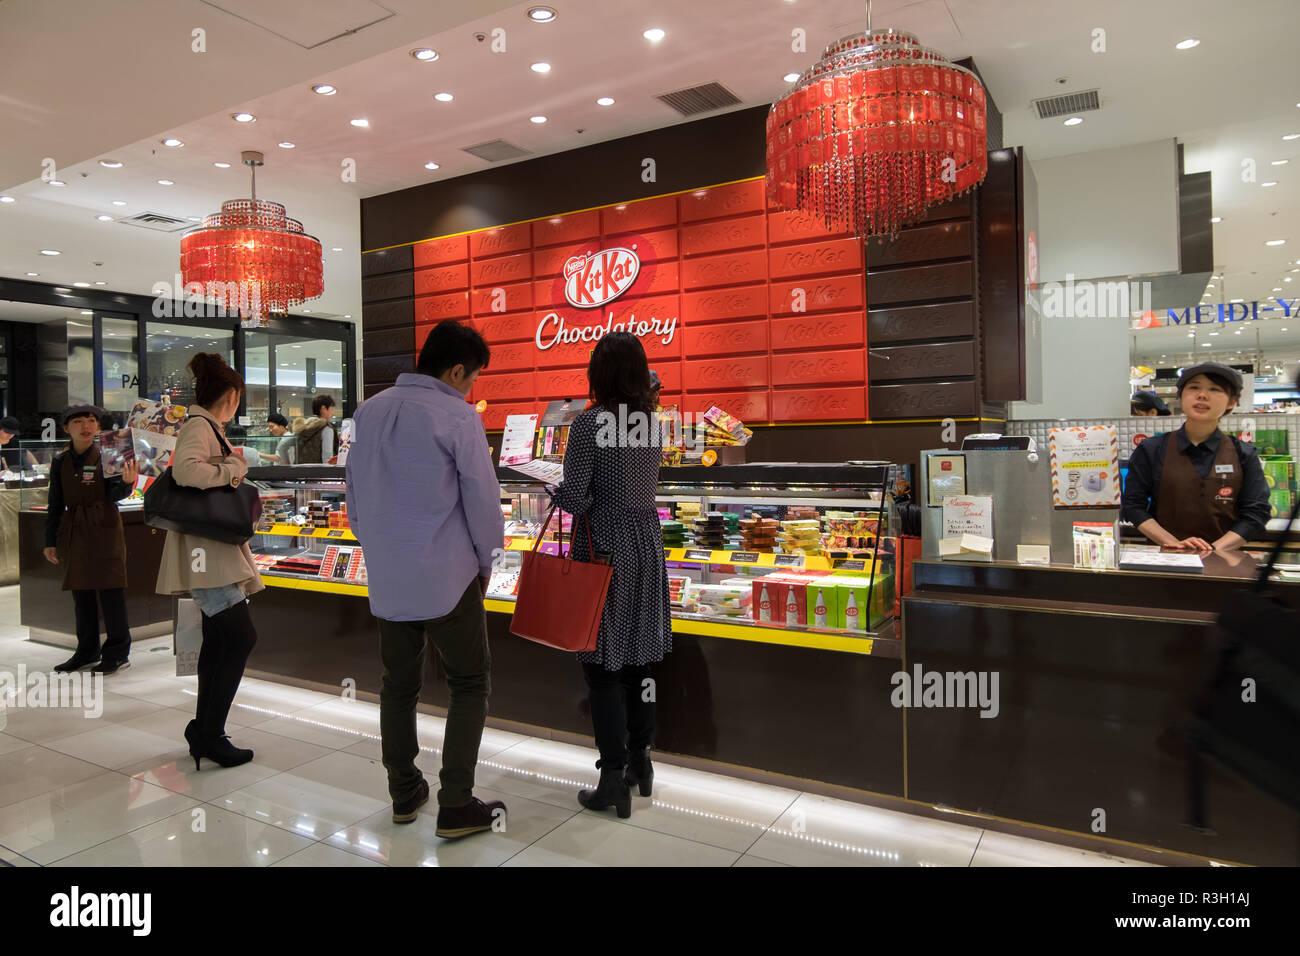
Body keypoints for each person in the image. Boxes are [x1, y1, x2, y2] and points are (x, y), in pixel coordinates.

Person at [346, 320, 507, 835]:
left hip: (388, 575)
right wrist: (488, 563)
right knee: (468, 682)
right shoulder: (457, 417)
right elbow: (483, 502)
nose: (471, 389)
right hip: (447, 576)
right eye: (473, 377)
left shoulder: (367, 412)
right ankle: (457, 803)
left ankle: (404, 791)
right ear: (456, 370)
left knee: (398, 686)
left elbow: (352, 493)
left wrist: (376, 546)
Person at [550, 332, 672, 818]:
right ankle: (641, 764)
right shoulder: (651, 424)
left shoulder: (589, 424)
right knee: (639, 659)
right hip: (646, 543)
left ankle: (611, 778)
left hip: (604, 548)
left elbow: (577, 497)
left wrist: (556, 490)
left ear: (598, 374)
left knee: (601, 668)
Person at [155, 354, 263, 770]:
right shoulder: (201, 427)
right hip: (207, 554)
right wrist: (235, 467)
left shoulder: (205, 427)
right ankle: (210, 734)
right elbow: (186, 472)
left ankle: (204, 729)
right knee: (240, 638)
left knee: (222, 639)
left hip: (209, 550)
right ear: (232, 396)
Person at [1121, 362, 1270, 553]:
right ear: (1181, 396)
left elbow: (1256, 513)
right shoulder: (1151, 449)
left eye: (1215, 389)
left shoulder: (1244, 454)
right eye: (1194, 387)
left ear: (1231, 402)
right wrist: (1174, 544)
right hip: (1164, 561)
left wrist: (1213, 550)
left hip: (1224, 561)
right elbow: (1133, 506)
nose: (1202, 395)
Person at [42, 405, 138, 673]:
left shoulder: (109, 454)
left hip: (105, 527)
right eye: (79, 421)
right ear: (66, 428)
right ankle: (86, 651)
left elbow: (114, 493)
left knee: (111, 591)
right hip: (74, 529)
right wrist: (50, 540)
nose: (86, 426)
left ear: (97, 427)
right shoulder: (61, 462)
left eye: (92, 421)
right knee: (81, 593)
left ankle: (118, 653)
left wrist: (128, 484)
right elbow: (54, 503)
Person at [296, 394, 337, 463]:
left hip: (302, 470)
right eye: (331, 409)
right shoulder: (327, 428)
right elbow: (327, 456)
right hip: (320, 471)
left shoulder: (303, 427)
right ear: (323, 409)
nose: (333, 413)